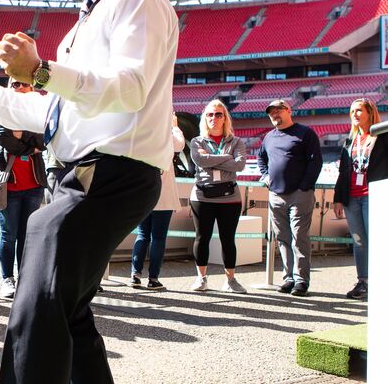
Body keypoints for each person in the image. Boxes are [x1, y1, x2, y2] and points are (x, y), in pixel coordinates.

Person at [0, 0, 178, 384]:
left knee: (38, 305)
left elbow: (130, 87)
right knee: (67, 310)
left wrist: (42, 71)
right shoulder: (84, 23)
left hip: (111, 173)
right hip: (88, 175)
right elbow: (52, 114)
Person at [334, 98, 388, 301]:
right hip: (352, 198)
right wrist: (337, 199)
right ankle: (363, 281)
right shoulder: (349, 141)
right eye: (352, 111)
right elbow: (343, 172)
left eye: (359, 110)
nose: (355, 114)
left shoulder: (385, 134)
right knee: (359, 241)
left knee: (377, 239)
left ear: (371, 112)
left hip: (374, 195)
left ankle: (384, 281)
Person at [0, 80, 48, 299]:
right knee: (9, 235)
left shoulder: (39, 113)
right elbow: (4, 142)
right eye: (15, 85)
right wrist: (29, 142)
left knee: (27, 236)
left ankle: (25, 278)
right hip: (9, 185)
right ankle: (7, 278)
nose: (20, 88)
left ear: (32, 89)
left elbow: (43, 141)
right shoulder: (0, 114)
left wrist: (19, 135)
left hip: (34, 185)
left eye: (24, 84)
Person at [257, 99, 322, 297]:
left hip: (299, 194)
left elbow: (315, 161)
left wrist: (305, 186)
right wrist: (265, 176)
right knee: (283, 238)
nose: (275, 115)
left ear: (288, 111)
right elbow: (261, 158)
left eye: (279, 110)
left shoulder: (305, 133)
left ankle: (301, 280)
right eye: (271, 112)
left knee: (299, 237)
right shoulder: (269, 137)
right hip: (276, 194)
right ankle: (289, 278)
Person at [186, 101, 247, 294]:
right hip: (202, 196)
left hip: (230, 197)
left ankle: (230, 280)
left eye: (219, 114)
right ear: (205, 118)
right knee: (201, 238)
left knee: (228, 239)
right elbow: (200, 160)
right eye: (210, 114)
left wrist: (212, 160)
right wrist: (226, 158)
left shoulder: (236, 141)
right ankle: (201, 278)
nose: (214, 118)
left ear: (225, 118)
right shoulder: (197, 141)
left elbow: (239, 165)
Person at [131, 113, 186, 291]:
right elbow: (180, 144)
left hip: (142, 193)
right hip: (163, 193)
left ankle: (135, 274)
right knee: (159, 237)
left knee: (142, 235)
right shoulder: (165, 133)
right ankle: (153, 278)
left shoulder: (140, 134)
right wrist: (174, 125)